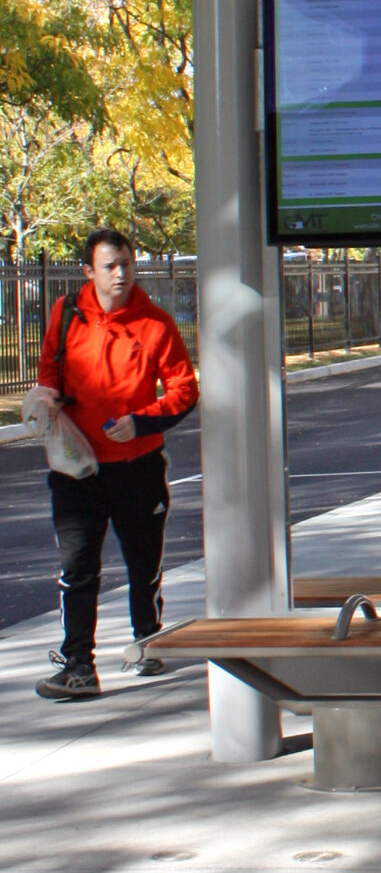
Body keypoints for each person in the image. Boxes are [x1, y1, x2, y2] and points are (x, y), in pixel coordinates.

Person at [36, 229, 198, 702]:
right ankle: (78, 666)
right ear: (89, 271)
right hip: (76, 469)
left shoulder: (155, 323)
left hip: (137, 468)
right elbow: (51, 367)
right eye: (110, 265)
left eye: (127, 263)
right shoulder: (65, 314)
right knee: (77, 567)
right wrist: (45, 398)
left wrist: (141, 421)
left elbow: (184, 390)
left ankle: (147, 639)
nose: (121, 273)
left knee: (142, 562)